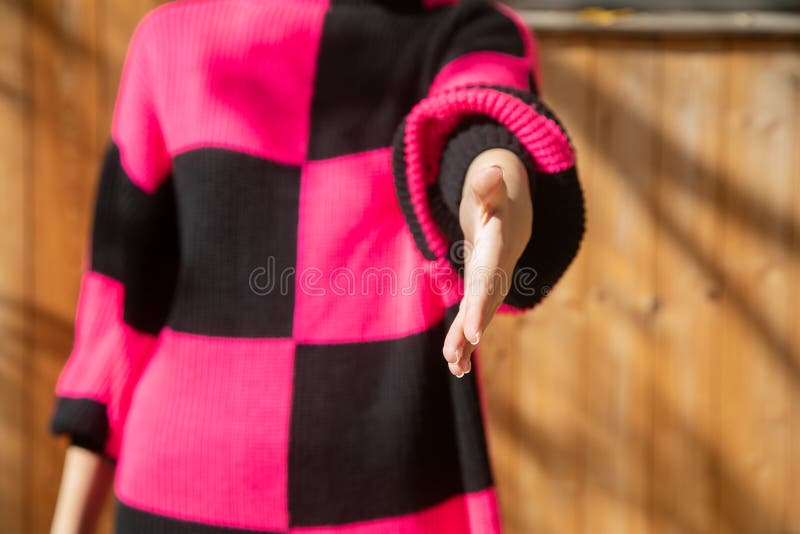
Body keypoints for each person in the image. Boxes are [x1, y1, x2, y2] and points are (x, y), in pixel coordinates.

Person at [48, 0, 585, 532]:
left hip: (394, 500)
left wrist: (494, 189)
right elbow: (118, 311)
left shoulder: (466, 31)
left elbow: (476, 120)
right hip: (175, 500)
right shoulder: (170, 41)